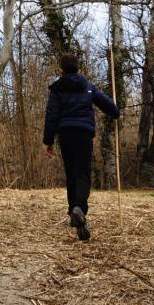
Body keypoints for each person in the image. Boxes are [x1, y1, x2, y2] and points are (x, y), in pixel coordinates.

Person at [42, 52, 119, 241]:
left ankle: (73, 212)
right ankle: (79, 208)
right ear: (78, 69)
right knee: (83, 174)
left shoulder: (57, 89)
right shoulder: (88, 87)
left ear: (61, 71)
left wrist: (48, 141)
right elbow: (108, 105)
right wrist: (115, 112)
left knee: (71, 174)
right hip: (84, 134)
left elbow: (51, 116)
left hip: (66, 134)